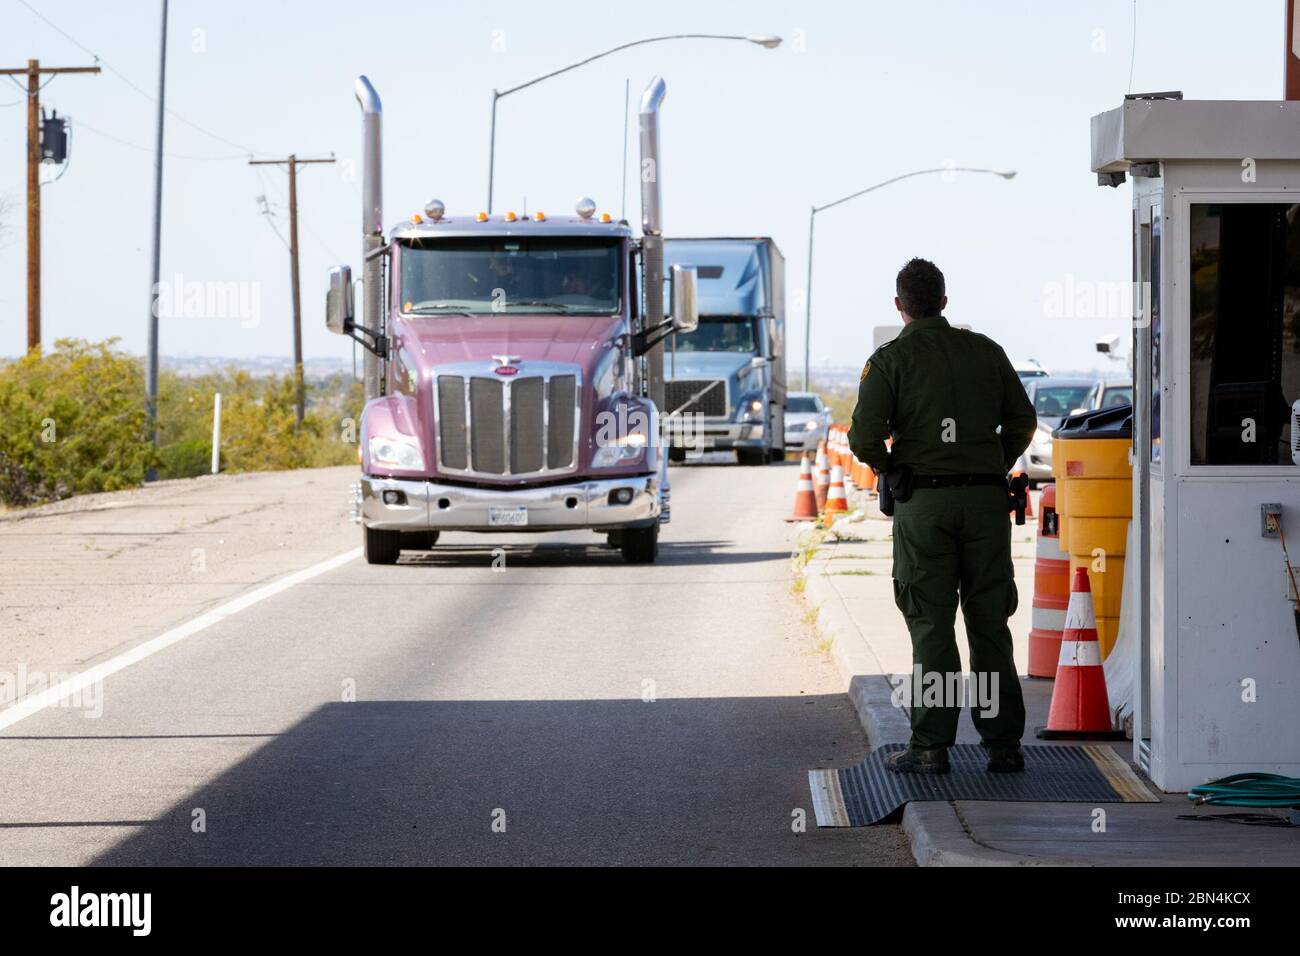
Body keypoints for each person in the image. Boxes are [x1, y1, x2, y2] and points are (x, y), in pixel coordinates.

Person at [848, 258, 1037, 774]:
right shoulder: (985, 351)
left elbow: (863, 437)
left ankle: (932, 746)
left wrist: (892, 469)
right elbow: (1022, 419)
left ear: (899, 306)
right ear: (945, 302)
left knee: (932, 626)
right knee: (990, 622)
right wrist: (994, 461)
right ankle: (1003, 746)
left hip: (924, 504)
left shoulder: (890, 360)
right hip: (984, 503)